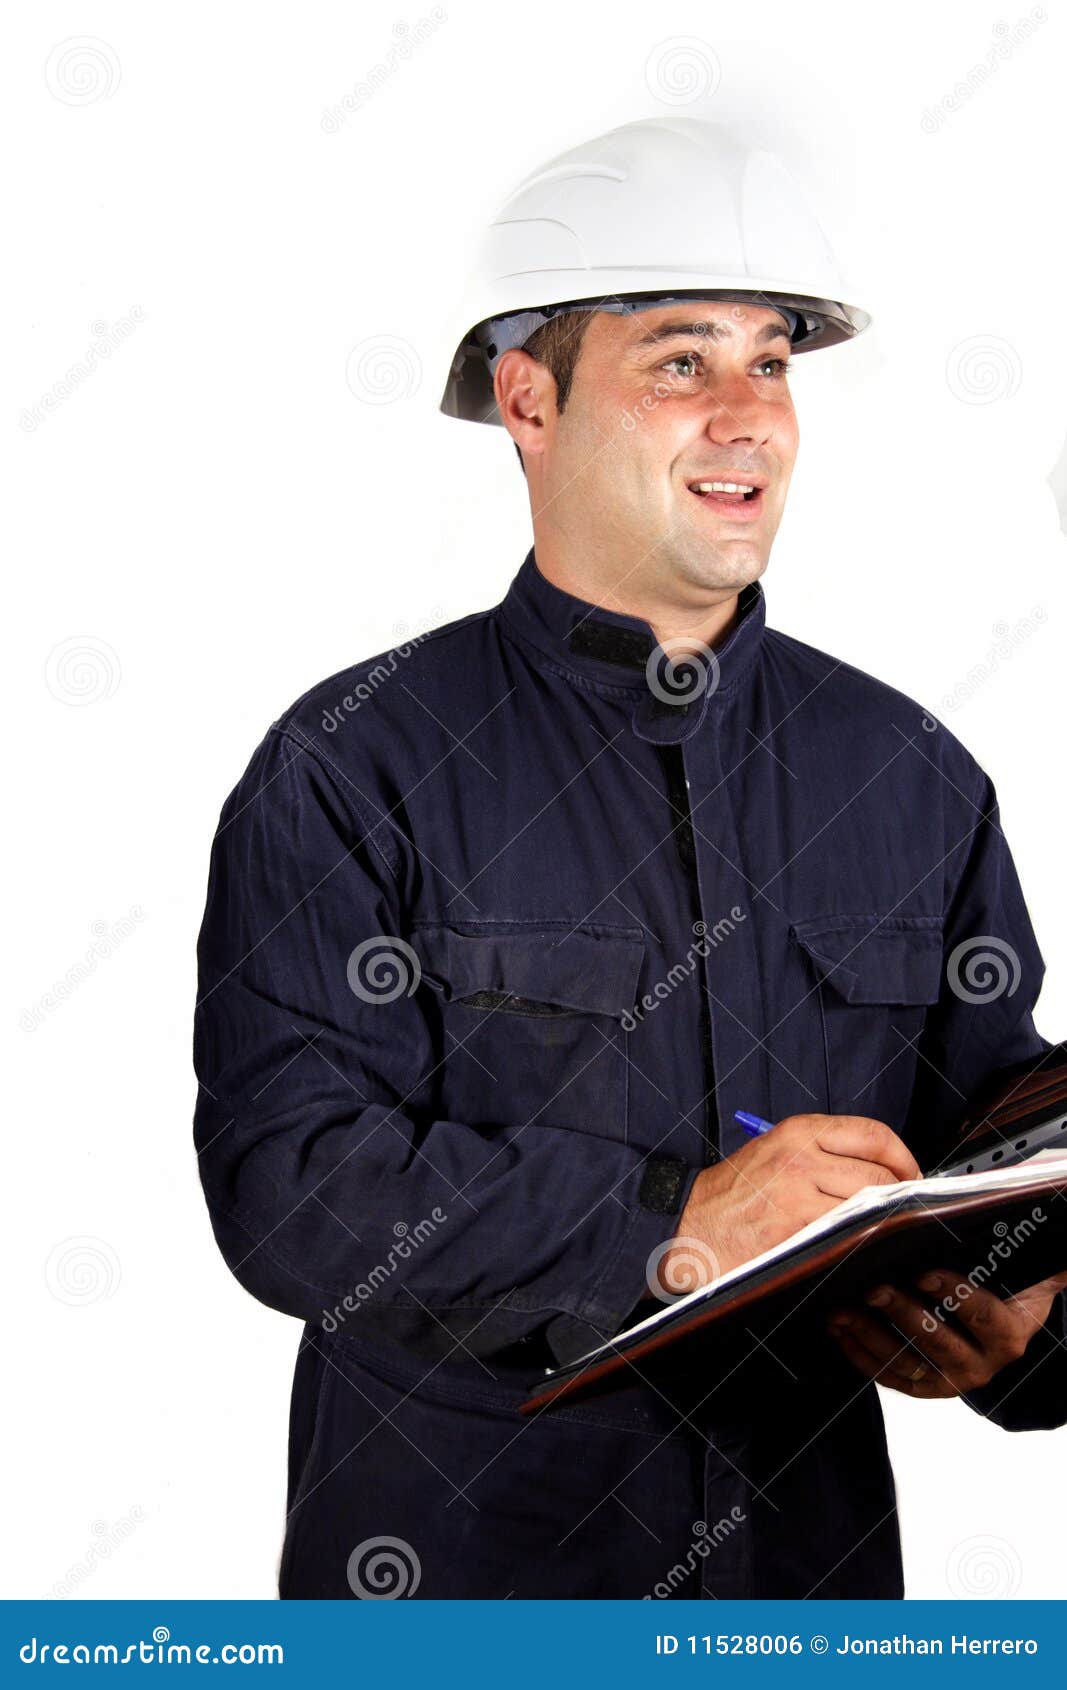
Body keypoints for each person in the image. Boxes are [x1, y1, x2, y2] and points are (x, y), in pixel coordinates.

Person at [192, 116, 1067, 1601]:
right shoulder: (354, 764)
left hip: (808, 1600)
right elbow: (291, 1182)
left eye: (773, 363)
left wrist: (1030, 1321)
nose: (748, 415)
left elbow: (991, 1134)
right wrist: (669, 1225)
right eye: (681, 361)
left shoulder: (910, 775)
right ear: (529, 399)